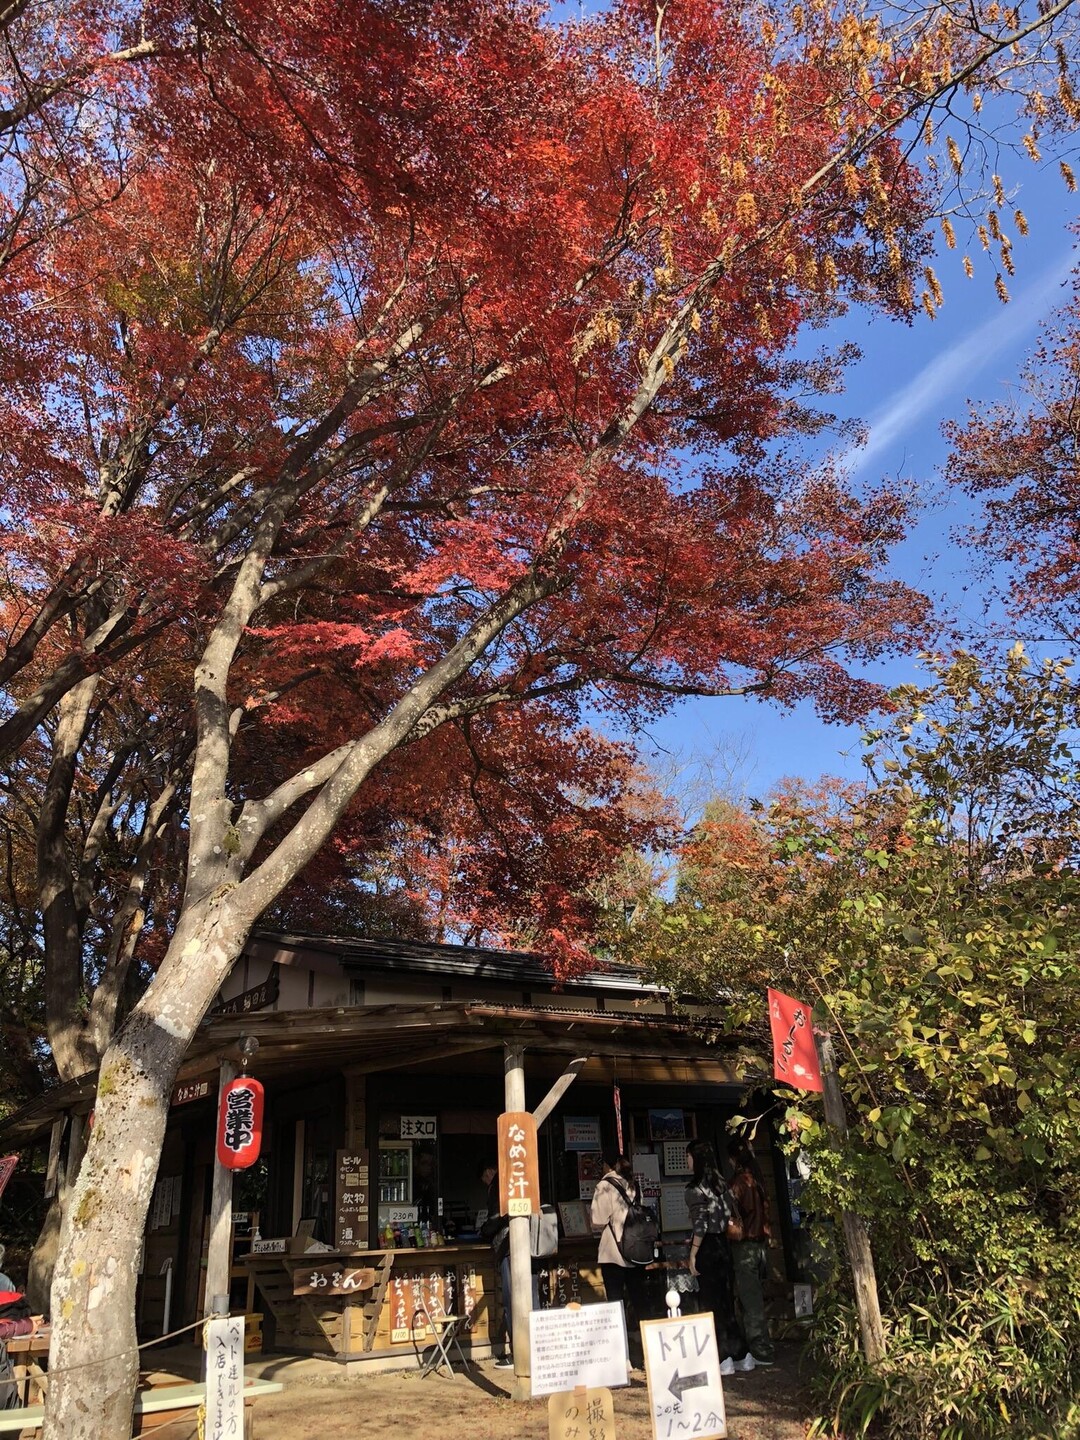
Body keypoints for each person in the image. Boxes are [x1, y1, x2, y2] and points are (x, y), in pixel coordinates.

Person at [685, 1139, 751, 1375]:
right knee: (726, 1301)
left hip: (708, 1248)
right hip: (724, 1245)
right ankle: (742, 1354)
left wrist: (693, 1254)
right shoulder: (722, 1184)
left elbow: (700, 1224)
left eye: (689, 1156)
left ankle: (722, 1357)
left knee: (711, 1304)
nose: (687, 1160)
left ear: (697, 1160)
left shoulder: (694, 1190)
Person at [589, 1152, 647, 1365]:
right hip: (637, 1251)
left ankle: (622, 1358)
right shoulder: (633, 1183)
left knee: (615, 1304)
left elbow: (597, 1219)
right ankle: (649, 1352)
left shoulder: (605, 1185)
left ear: (607, 1165)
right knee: (640, 1301)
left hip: (614, 1252)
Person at [727, 1135, 775, 1366]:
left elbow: (730, 1210)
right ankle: (762, 1343)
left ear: (733, 1158)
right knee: (755, 1294)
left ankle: (760, 1349)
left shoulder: (739, 1182)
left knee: (750, 1297)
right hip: (760, 1243)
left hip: (745, 1244)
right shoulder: (758, 1178)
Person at [478, 1161, 514, 1367]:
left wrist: (484, 1231)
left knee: (511, 1300)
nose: (485, 1182)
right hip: (529, 1249)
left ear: (489, 1171)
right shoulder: (517, 1180)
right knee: (525, 1299)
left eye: (484, 1178)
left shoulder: (498, 1186)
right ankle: (531, 1352)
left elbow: (496, 1218)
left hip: (507, 1248)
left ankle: (518, 1354)